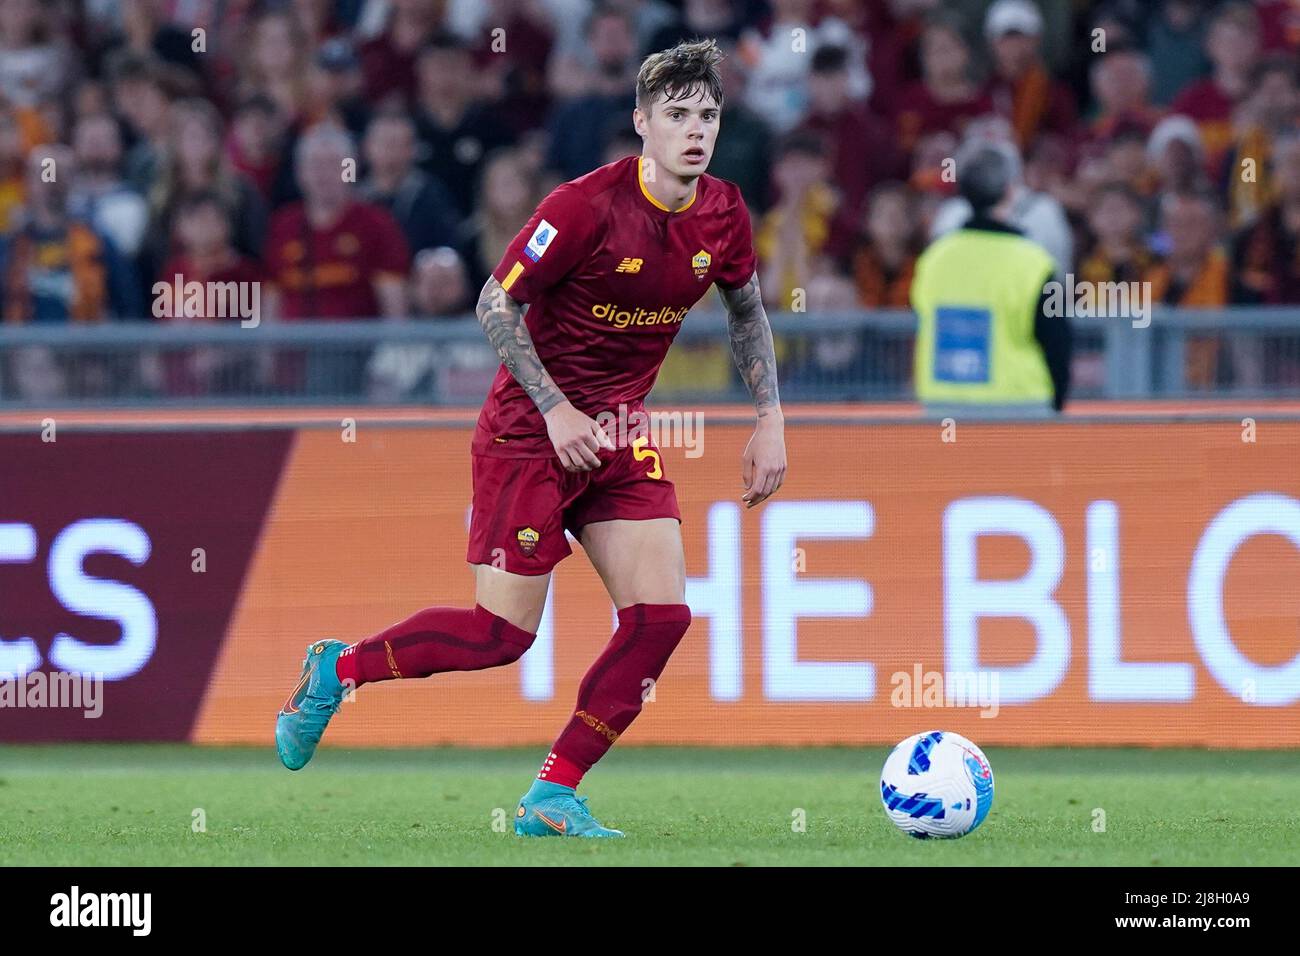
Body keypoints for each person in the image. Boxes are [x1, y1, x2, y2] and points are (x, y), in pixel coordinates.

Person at [274, 39, 787, 838]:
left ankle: (553, 794)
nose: (696, 130)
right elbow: (493, 305)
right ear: (642, 123)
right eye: (678, 115)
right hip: (529, 433)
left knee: (662, 620)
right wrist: (554, 408)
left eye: (709, 115)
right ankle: (338, 668)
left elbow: (748, 310)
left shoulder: (723, 211)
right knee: (500, 637)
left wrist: (770, 420)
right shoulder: (583, 207)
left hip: (618, 434)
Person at [911, 142, 1072, 414]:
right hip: (1020, 408)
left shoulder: (933, 259)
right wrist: (1056, 404)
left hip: (944, 407)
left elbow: (924, 319)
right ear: (1010, 191)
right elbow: (1057, 341)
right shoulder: (1036, 263)